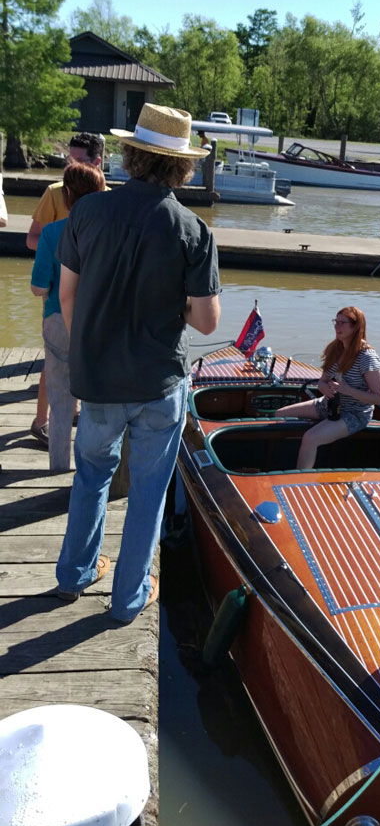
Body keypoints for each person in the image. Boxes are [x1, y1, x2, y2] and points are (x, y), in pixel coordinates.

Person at [54, 104, 220, 624]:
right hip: (158, 383)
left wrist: (89, 350)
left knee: (91, 475)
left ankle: (74, 575)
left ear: (130, 154)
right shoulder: (193, 229)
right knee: (148, 491)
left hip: (98, 378)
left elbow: (67, 297)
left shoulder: (86, 212)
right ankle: (127, 599)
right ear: (182, 166)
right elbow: (207, 322)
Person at [27, 133, 104, 447]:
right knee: (55, 367)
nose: (71, 166)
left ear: (97, 163)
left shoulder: (108, 198)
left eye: (80, 161)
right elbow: (33, 238)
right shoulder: (54, 192)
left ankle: (72, 424)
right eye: (69, 160)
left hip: (83, 305)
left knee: (79, 373)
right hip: (59, 298)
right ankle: (40, 421)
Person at [275, 306, 380, 469]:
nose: (336, 327)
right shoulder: (335, 349)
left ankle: (299, 483)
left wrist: (346, 390)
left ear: (356, 327)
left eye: (342, 323)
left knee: (310, 438)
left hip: (354, 414)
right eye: (336, 322)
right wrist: (323, 386)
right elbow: (322, 380)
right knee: (278, 415)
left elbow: (379, 398)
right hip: (328, 405)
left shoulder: (367, 357)